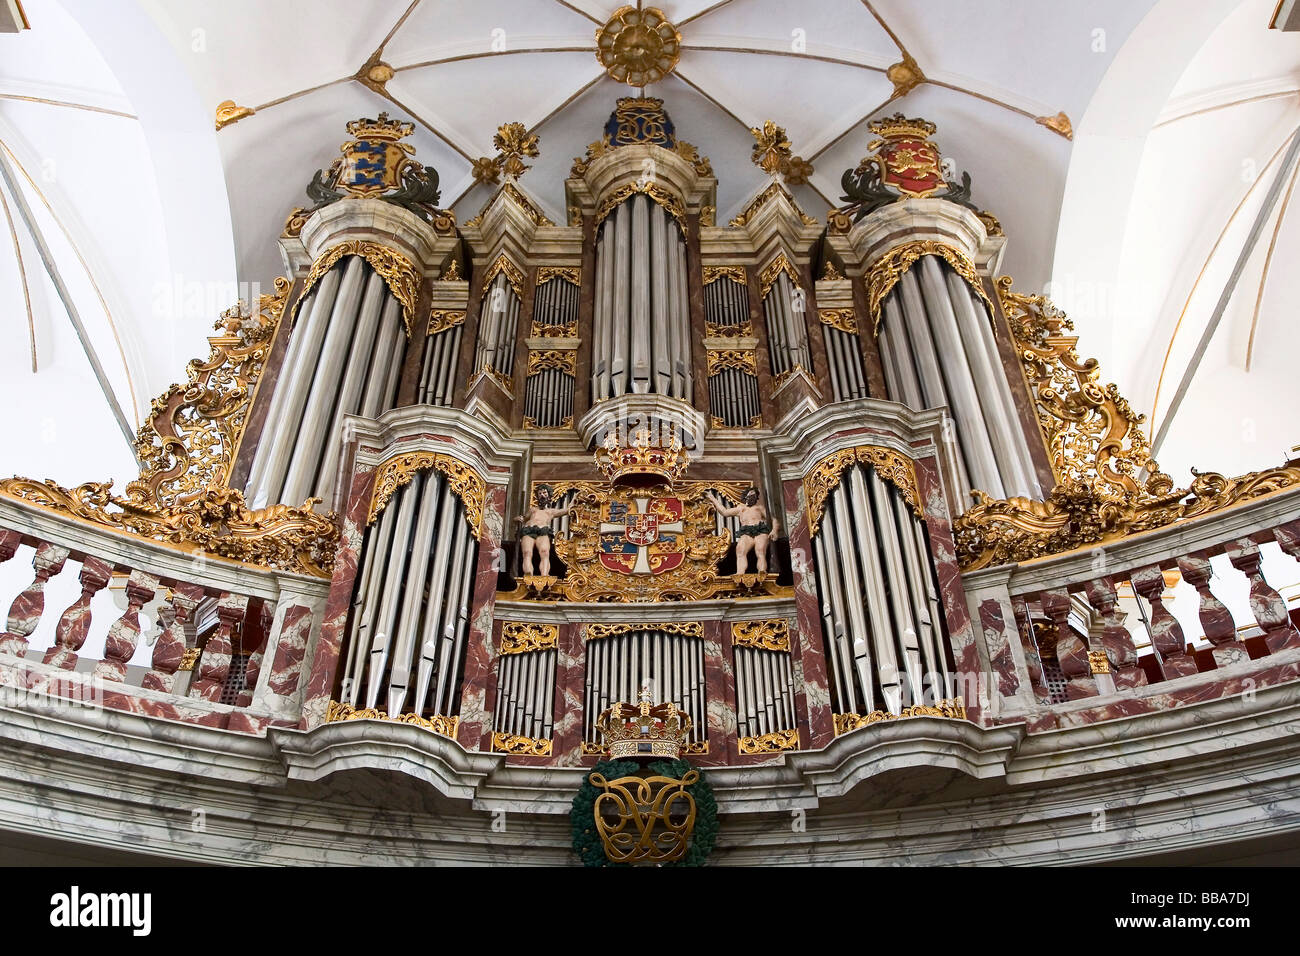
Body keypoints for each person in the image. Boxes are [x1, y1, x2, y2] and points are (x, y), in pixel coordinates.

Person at [705, 486, 779, 575]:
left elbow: (774, 520)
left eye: (755, 494)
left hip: (760, 530)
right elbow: (724, 512)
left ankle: (762, 572)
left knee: (760, 550)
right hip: (746, 532)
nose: (753, 495)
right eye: (751, 493)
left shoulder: (759, 508)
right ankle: (740, 573)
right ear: (746, 495)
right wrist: (712, 498)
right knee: (740, 550)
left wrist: (774, 530)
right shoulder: (740, 508)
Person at [514, 484, 573, 577]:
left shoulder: (551, 511)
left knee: (544, 552)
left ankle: (544, 575)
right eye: (540, 493)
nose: (542, 495)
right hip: (529, 530)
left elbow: (567, 510)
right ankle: (528, 574)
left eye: (544, 492)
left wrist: (574, 499)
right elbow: (523, 518)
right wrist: (518, 519)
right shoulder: (533, 509)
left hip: (543, 530)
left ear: (549, 495)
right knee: (527, 552)